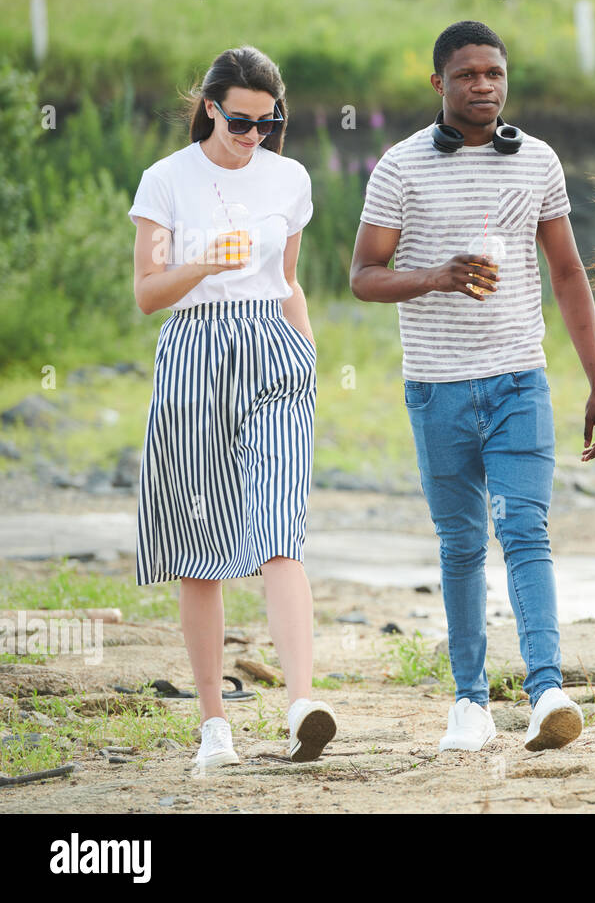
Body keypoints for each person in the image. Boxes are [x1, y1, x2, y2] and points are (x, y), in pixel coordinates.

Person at [350, 21, 595, 753]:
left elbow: (566, 274)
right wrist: (434, 275)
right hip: (435, 390)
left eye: (495, 73)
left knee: (525, 532)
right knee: (462, 543)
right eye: (467, 74)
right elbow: (362, 276)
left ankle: (547, 690)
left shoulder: (537, 161)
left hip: (519, 384)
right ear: (439, 83)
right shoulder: (400, 167)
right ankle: (468, 701)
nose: (483, 86)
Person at [130, 46, 337, 770]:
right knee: (204, 546)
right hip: (194, 352)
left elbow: (290, 280)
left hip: (275, 349)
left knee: (281, 527)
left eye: (267, 122)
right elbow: (149, 292)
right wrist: (204, 263)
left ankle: (302, 704)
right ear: (212, 108)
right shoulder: (166, 181)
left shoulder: (290, 178)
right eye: (241, 121)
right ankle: (214, 724)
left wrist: (307, 358)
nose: (254, 135)